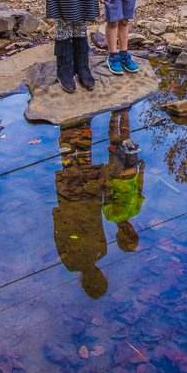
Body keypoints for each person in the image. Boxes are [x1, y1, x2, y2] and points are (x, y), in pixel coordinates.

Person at [52, 124, 109, 299]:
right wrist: (57, 215)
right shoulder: (95, 253)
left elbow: (60, 236)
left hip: (80, 202)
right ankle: (75, 129)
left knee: (76, 163)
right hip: (82, 201)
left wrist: (57, 215)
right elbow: (60, 235)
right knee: (77, 163)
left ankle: (71, 128)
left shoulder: (98, 252)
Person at [102, 109, 145, 253]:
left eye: (126, 235)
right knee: (124, 139)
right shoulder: (134, 210)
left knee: (116, 142)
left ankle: (116, 112)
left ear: (119, 235)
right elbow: (139, 188)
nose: (128, 230)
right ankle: (122, 111)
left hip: (119, 174)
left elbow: (107, 192)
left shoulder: (112, 215)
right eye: (131, 234)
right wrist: (141, 171)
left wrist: (106, 175)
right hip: (130, 172)